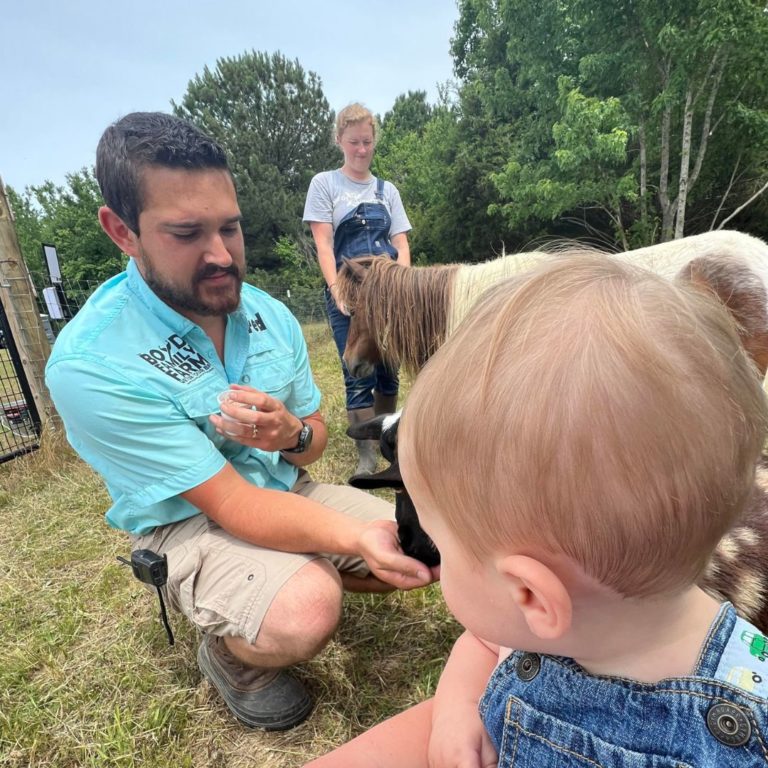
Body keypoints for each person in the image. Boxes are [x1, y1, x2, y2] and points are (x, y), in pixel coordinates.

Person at [44, 112, 433, 732]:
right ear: (122, 231)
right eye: (186, 232)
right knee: (309, 607)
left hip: (288, 489)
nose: (222, 255)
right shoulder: (93, 363)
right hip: (190, 522)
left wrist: (294, 436)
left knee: (425, 544)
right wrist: (352, 539)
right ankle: (232, 655)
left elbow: (314, 443)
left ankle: (294, 568)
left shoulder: (269, 314)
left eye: (230, 226)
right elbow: (229, 505)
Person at [304, 253, 768, 767]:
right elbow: (483, 643)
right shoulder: (544, 619)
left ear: (530, 594)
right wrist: (456, 709)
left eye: (445, 545)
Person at [303, 102, 411, 476]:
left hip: (387, 295)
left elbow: (401, 242)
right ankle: (364, 451)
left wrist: (403, 286)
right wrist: (335, 287)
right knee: (356, 369)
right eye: (354, 142)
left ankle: (388, 439)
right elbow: (323, 243)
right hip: (348, 293)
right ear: (339, 141)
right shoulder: (325, 185)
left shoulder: (387, 191)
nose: (361, 149)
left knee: (390, 370)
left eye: (367, 141)